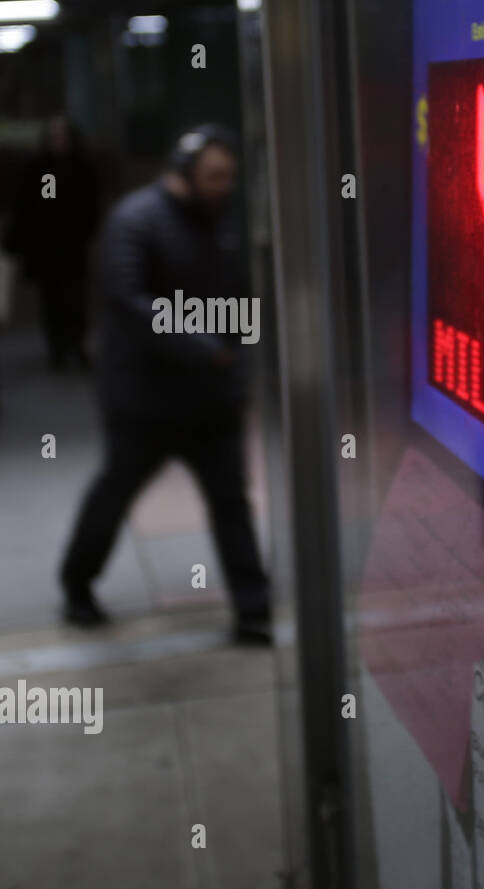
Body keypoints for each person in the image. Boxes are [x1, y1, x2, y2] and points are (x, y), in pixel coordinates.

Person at [58, 124, 271, 645]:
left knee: (230, 503)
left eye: (229, 176)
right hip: (144, 402)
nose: (225, 185)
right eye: (214, 175)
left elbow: (238, 295)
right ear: (184, 173)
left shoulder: (219, 220)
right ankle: (77, 586)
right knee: (115, 492)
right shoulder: (135, 220)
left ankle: (252, 610)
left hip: (211, 398)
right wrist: (207, 346)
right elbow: (129, 301)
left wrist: (235, 353)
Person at [4, 115, 101, 369]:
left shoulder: (81, 166)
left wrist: (88, 234)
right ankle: (57, 348)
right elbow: (25, 205)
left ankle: (76, 344)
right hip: (46, 245)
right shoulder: (37, 167)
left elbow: (91, 205)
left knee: (75, 298)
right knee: (51, 299)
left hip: (72, 244)